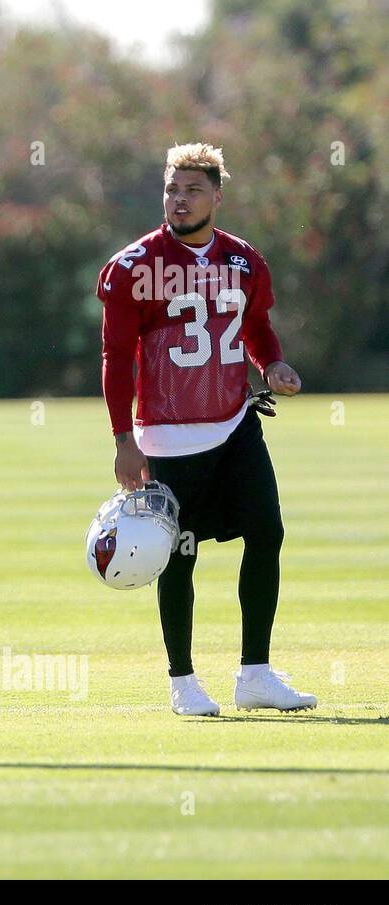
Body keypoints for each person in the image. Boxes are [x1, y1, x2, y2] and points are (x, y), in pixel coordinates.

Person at [96, 142, 315, 716]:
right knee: (180, 556)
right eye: (172, 188)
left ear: (217, 196)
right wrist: (124, 440)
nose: (180, 199)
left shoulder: (243, 260)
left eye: (193, 189)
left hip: (235, 422)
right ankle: (183, 681)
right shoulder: (134, 266)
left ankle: (256, 674)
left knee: (266, 533)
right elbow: (116, 358)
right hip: (168, 435)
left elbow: (257, 327)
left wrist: (272, 365)